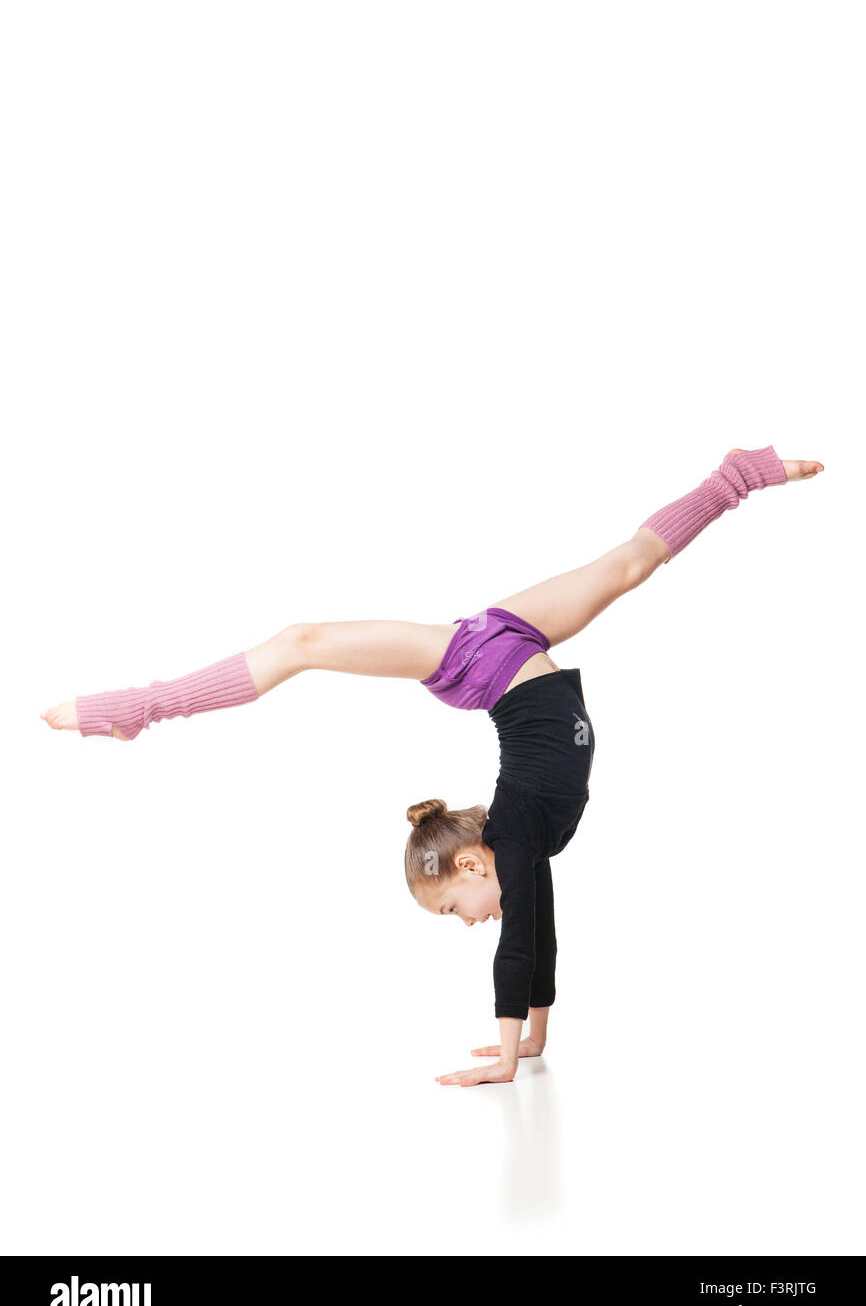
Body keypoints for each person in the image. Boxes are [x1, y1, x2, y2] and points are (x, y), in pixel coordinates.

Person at [41, 445, 823, 1086]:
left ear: (473, 861)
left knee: (301, 642)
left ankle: (138, 709)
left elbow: (516, 952)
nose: (469, 924)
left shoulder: (516, 836)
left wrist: (507, 1060)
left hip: (477, 665)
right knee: (630, 563)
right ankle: (738, 475)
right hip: (515, 643)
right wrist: (538, 1042)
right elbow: (541, 942)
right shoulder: (524, 846)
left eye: (454, 907)